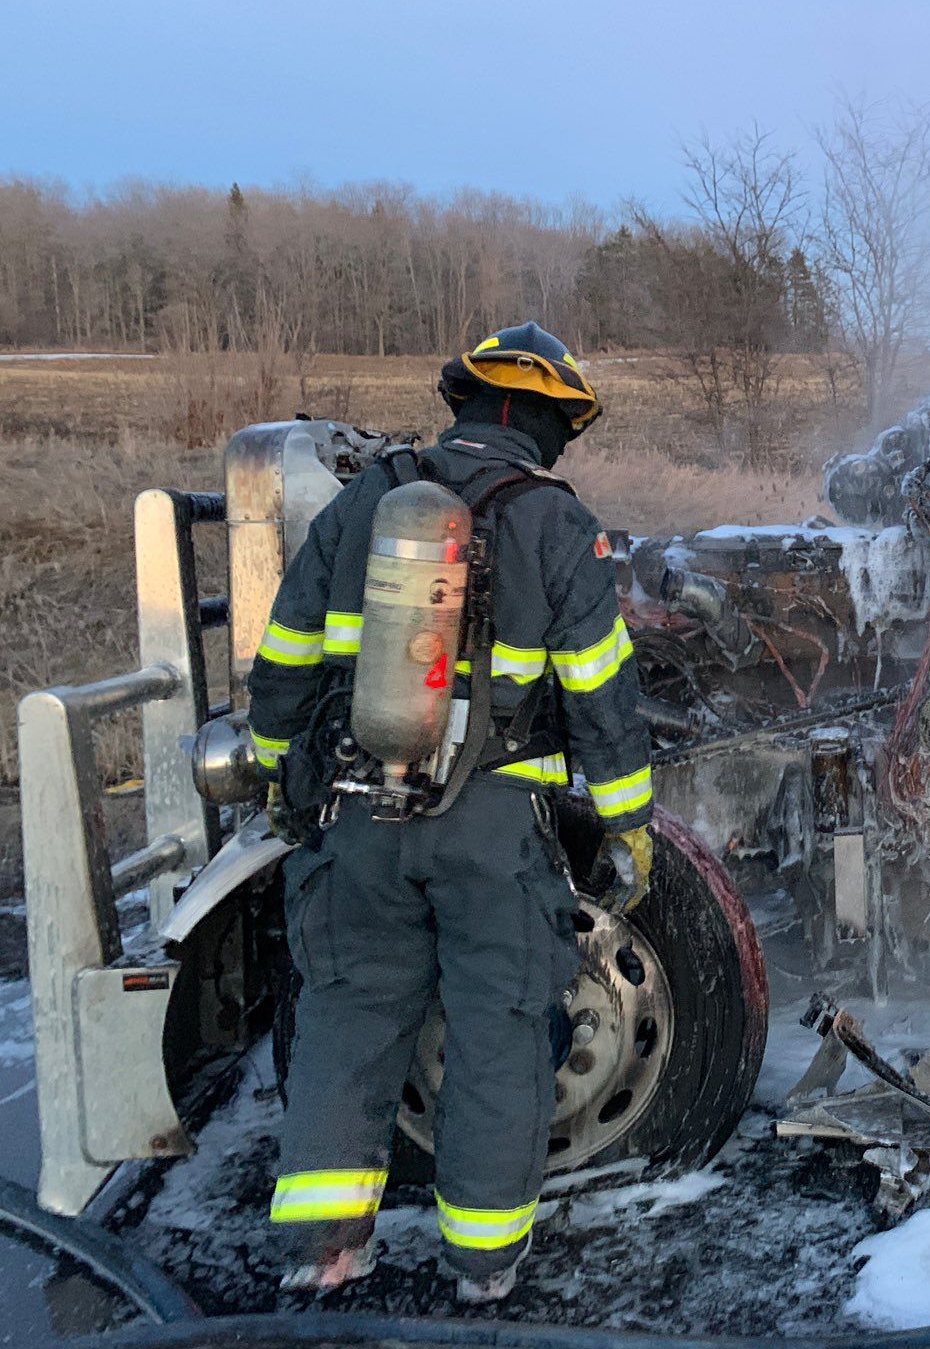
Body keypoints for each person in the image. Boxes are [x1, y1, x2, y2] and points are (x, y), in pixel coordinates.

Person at [246, 323, 655, 1301]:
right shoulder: (554, 520)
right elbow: (600, 688)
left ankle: (323, 1253)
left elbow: (287, 650)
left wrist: (274, 770)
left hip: (356, 812)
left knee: (347, 1020)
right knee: (500, 1032)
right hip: (489, 828)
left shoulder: (370, 498)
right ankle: (482, 1267)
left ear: (463, 402)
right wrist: (627, 819)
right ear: (551, 425)